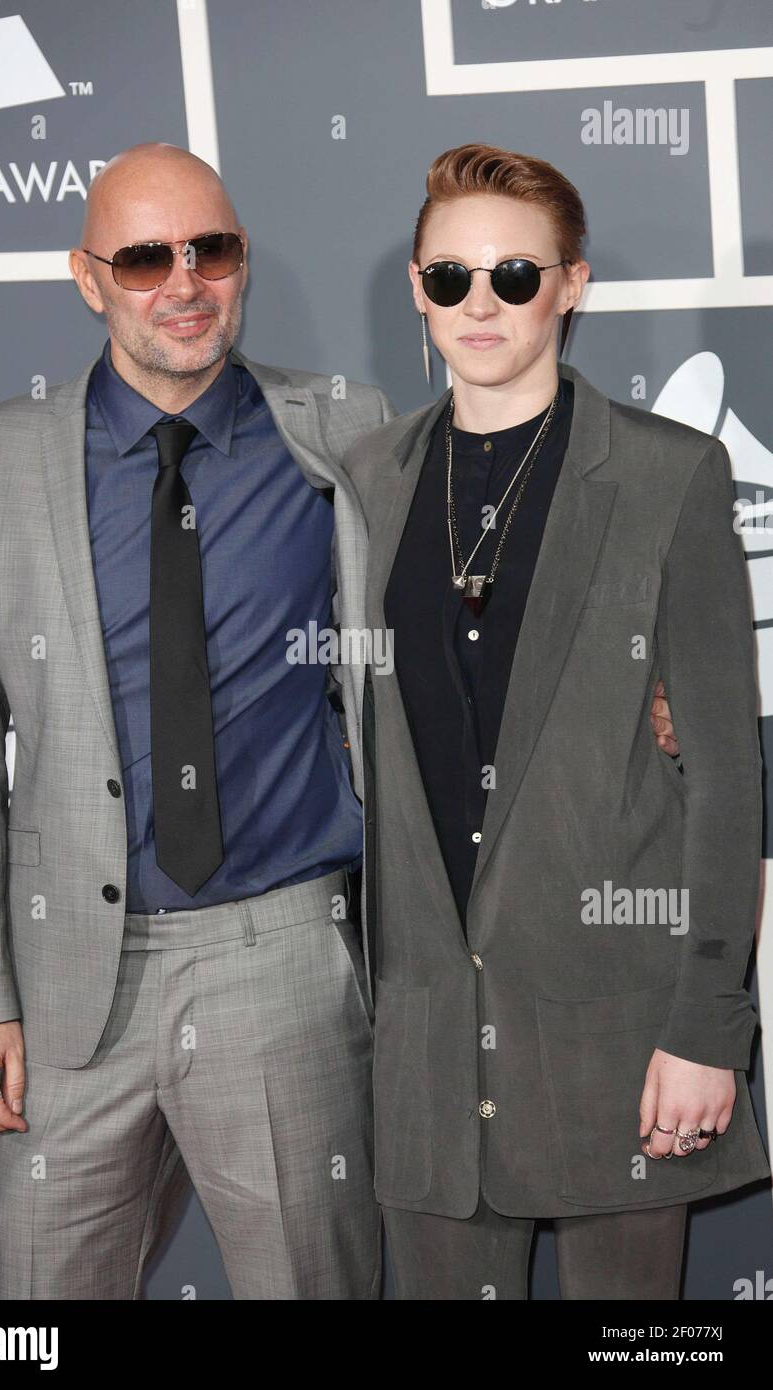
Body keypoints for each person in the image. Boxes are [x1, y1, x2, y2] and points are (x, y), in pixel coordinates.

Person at [0, 142, 393, 1300]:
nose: (183, 283)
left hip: (276, 962)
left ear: (240, 265)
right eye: (143, 259)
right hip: (69, 978)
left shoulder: (341, 431)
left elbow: (443, 633)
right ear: (89, 280)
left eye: (210, 250)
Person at [343, 143, 770, 1300]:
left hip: (621, 1035)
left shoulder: (665, 477)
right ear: (416, 290)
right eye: (449, 278)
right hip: (426, 1047)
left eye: (514, 276)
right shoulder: (364, 480)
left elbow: (727, 777)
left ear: (570, 284)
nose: (478, 304)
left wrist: (704, 1023)